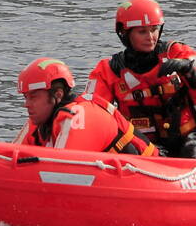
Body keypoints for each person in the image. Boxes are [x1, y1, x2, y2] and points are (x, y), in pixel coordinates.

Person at [87, 0, 196, 159]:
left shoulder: (178, 53)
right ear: (125, 34)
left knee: (194, 155)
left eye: (154, 29)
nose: (150, 37)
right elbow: (93, 115)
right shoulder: (109, 70)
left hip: (188, 137)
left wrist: (189, 71)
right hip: (144, 145)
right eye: (142, 31)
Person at [15, 57, 157, 155]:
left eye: (33, 97)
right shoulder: (38, 121)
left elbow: (61, 171)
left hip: (152, 175)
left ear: (58, 95)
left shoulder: (77, 115)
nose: (26, 104)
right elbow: (10, 155)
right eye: (25, 97)